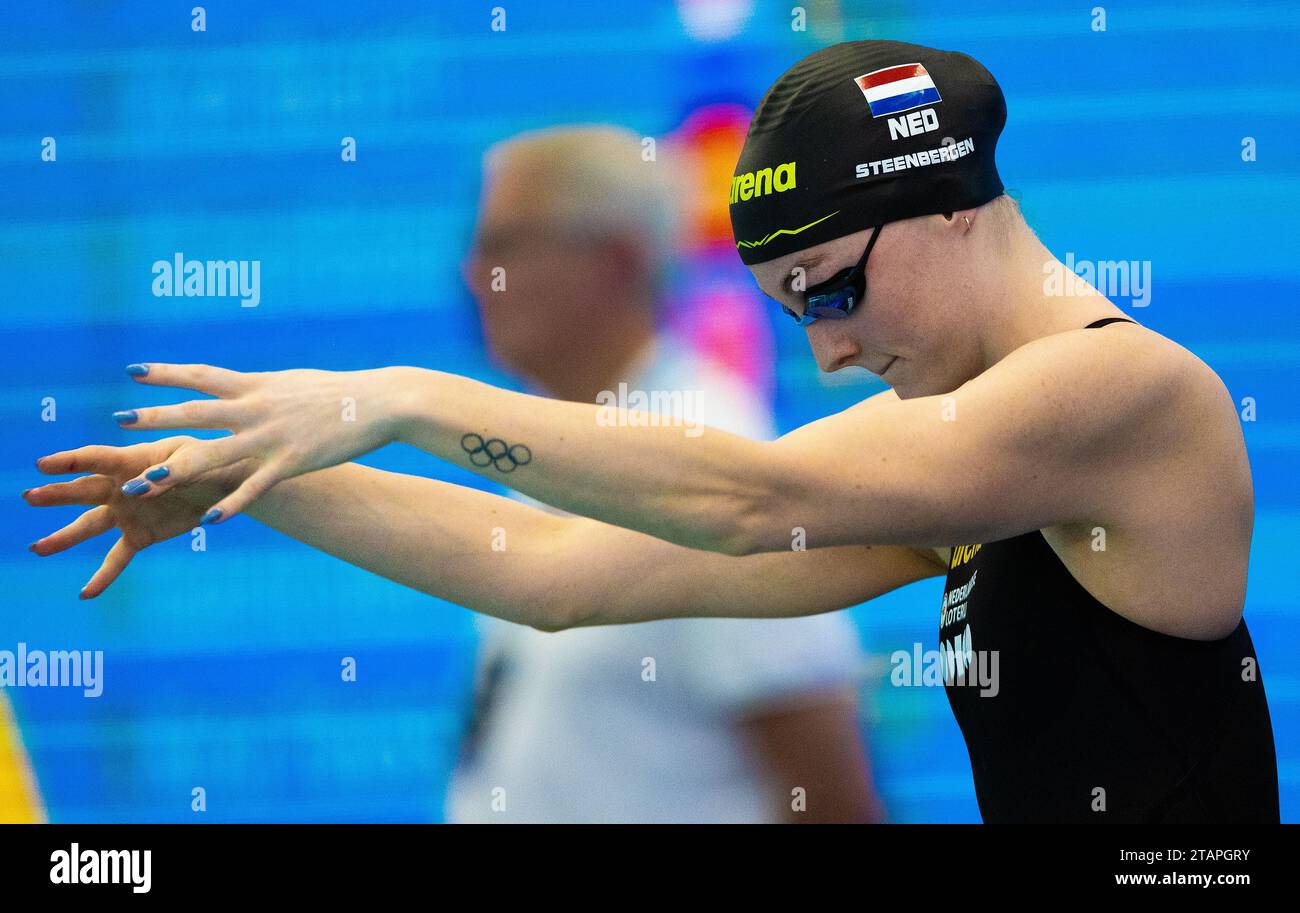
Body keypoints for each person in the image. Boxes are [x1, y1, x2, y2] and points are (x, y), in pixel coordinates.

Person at [25, 40, 1278, 823]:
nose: (829, 350)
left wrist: (398, 396)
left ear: (950, 207)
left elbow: (748, 495)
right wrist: (259, 480)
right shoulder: (987, 478)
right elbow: (560, 575)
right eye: (793, 315)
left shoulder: (1129, 394)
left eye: (832, 290)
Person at [447, 126, 880, 823]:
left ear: (614, 260)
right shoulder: (562, 444)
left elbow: (829, 785)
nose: (475, 274)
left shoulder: (700, 452)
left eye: (504, 246)